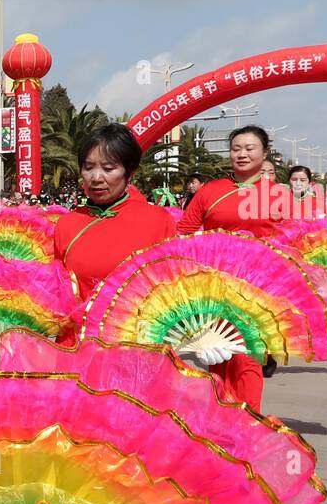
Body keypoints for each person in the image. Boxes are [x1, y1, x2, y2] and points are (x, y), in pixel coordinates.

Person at [175, 125, 283, 410]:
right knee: (218, 355)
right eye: (236, 149)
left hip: (259, 289)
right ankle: (222, 421)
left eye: (250, 148)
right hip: (215, 288)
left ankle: (249, 422)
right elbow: (183, 232)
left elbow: (293, 241)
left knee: (248, 356)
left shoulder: (277, 195)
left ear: (265, 153)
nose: (242, 154)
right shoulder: (211, 190)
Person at [54, 123, 177, 300]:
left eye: (108, 169)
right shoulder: (66, 225)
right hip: (78, 327)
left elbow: (170, 287)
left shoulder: (158, 221)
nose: (96, 178)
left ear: (129, 173)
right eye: (88, 168)